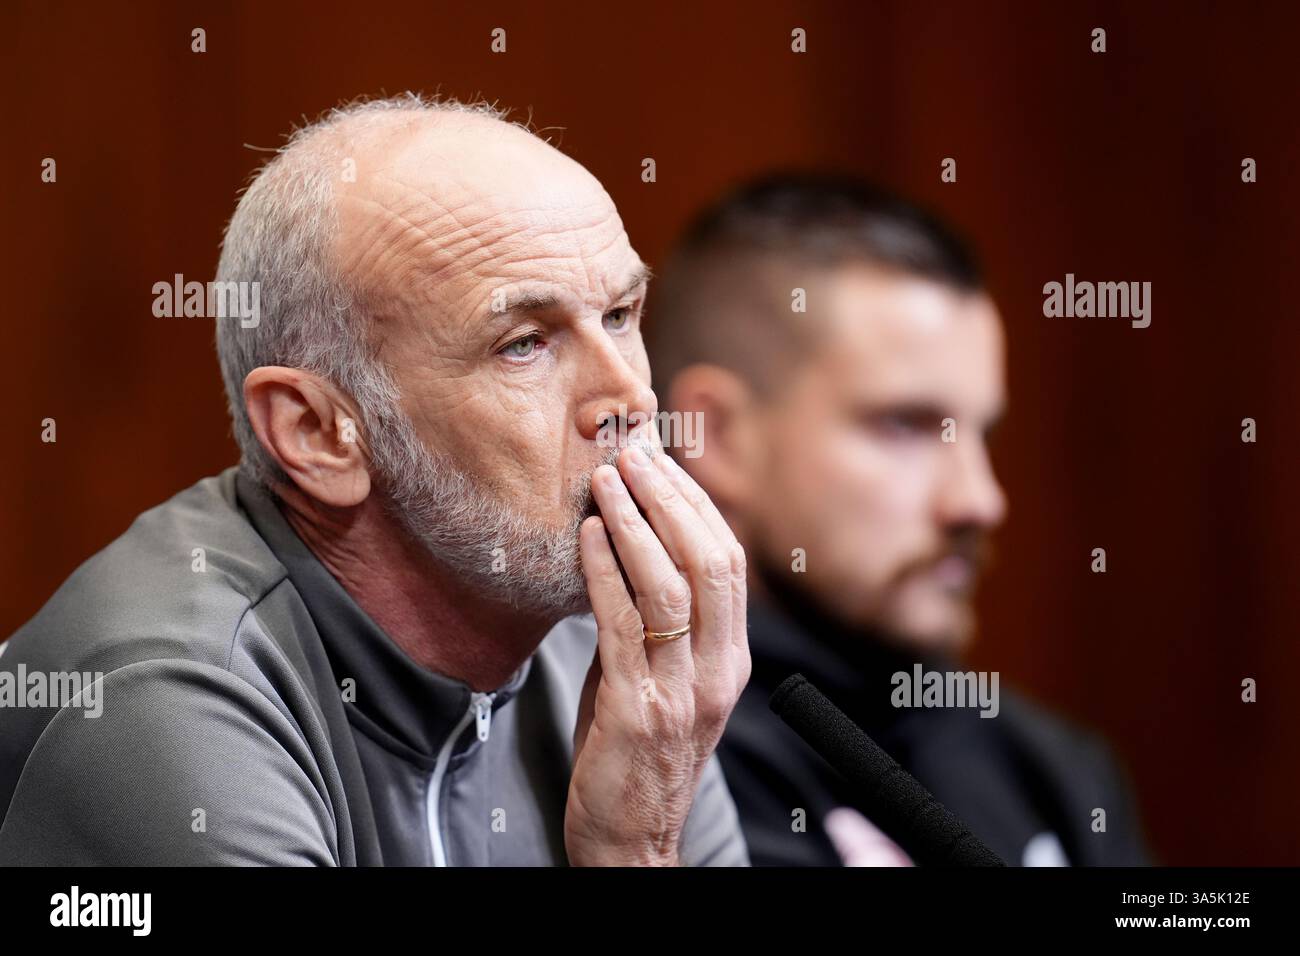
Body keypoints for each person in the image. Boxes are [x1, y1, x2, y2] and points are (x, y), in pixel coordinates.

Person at [0, 94, 751, 867]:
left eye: (622, 314)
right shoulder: (162, 703)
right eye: (525, 343)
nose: (631, 397)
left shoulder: (609, 639)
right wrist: (633, 852)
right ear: (318, 433)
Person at [647, 174, 1149, 866]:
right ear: (720, 434)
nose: (980, 500)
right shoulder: (644, 776)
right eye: (906, 426)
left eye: (984, 435)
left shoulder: (1053, 769)